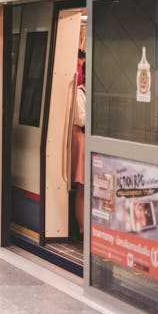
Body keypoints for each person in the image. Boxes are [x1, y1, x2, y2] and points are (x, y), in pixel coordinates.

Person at [71, 61, 86, 237]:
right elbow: (81, 119)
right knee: (82, 186)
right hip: (81, 139)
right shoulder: (79, 93)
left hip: (86, 139)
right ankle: (81, 227)